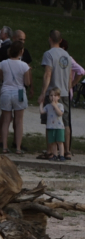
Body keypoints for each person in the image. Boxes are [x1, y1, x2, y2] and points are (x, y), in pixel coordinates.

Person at [39, 30, 74, 158]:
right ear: (60, 40)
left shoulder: (48, 54)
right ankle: (67, 151)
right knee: (65, 122)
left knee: (50, 121)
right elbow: (69, 75)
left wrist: (43, 92)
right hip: (64, 92)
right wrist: (68, 89)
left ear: (50, 39)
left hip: (52, 93)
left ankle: (50, 151)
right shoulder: (67, 55)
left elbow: (48, 73)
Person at [0, 41, 31, 155]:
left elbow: (1, 77)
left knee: (6, 121)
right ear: (21, 52)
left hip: (6, 92)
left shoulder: (3, 63)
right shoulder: (24, 65)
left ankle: (4, 146)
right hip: (19, 92)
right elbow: (27, 82)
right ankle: (18, 147)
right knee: (19, 121)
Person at [41, 87, 67, 161]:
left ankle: (61, 155)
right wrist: (41, 104)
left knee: (60, 142)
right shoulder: (48, 106)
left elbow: (60, 113)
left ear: (58, 97)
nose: (53, 97)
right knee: (53, 142)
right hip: (50, 126)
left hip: (59, 127)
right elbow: (42, 111)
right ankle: (55, 155)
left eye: (55, 95)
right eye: (51, 95)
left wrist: (55, 106)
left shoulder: (60, 105)